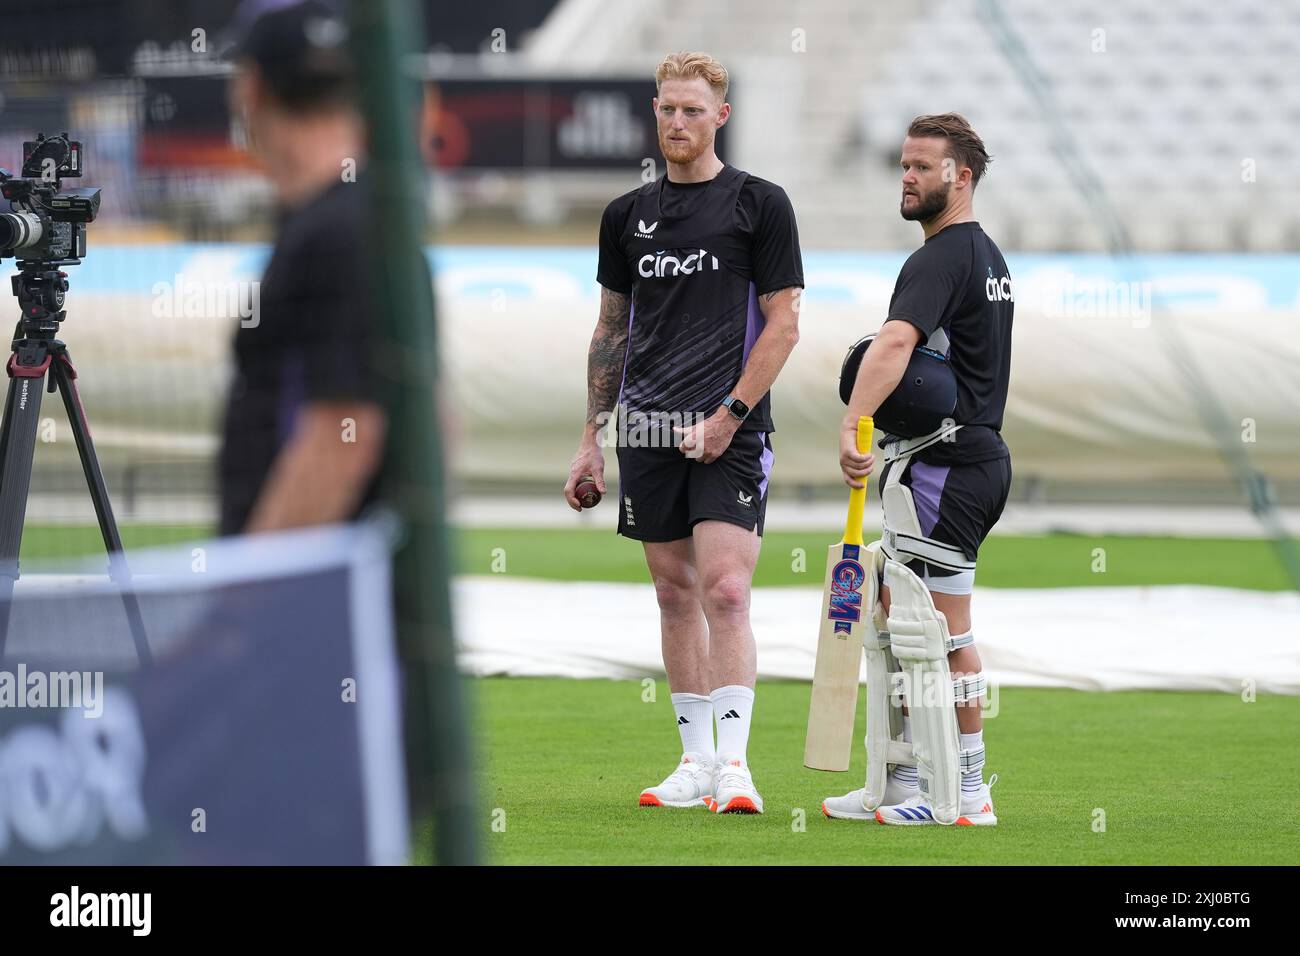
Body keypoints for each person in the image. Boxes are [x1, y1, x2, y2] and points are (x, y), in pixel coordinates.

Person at [564, 52, 804, 815]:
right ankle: (694, 761)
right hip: (645, 425)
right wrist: (591, 438)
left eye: (692, 110)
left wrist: (728, 415)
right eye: (667, 108)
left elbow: (784, 325)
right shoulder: (624, 216)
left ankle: (735, 766)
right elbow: (610, 332)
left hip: (730, 426)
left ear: (720, 117)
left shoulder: (759, 206)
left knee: (727, 589)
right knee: (674, 594)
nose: (676, 122)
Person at [823, 113, 1012, 826]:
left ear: (959, 176)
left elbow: (898, 341)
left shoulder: (941, 257)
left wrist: (854, 421)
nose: (907, 176)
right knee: (899, 623)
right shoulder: (985, 255)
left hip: (948, 468)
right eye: (903, 164)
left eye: (922, 167)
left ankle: (964, 793)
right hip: (958, 462)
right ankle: (903, 782)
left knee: (938, 634)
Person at [217, 0, 387, 536]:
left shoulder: (337, 229)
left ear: (252, 88)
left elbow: (345, 437)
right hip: (342, 585)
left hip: (307, 598)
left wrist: (244, 602)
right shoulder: (355, 216)